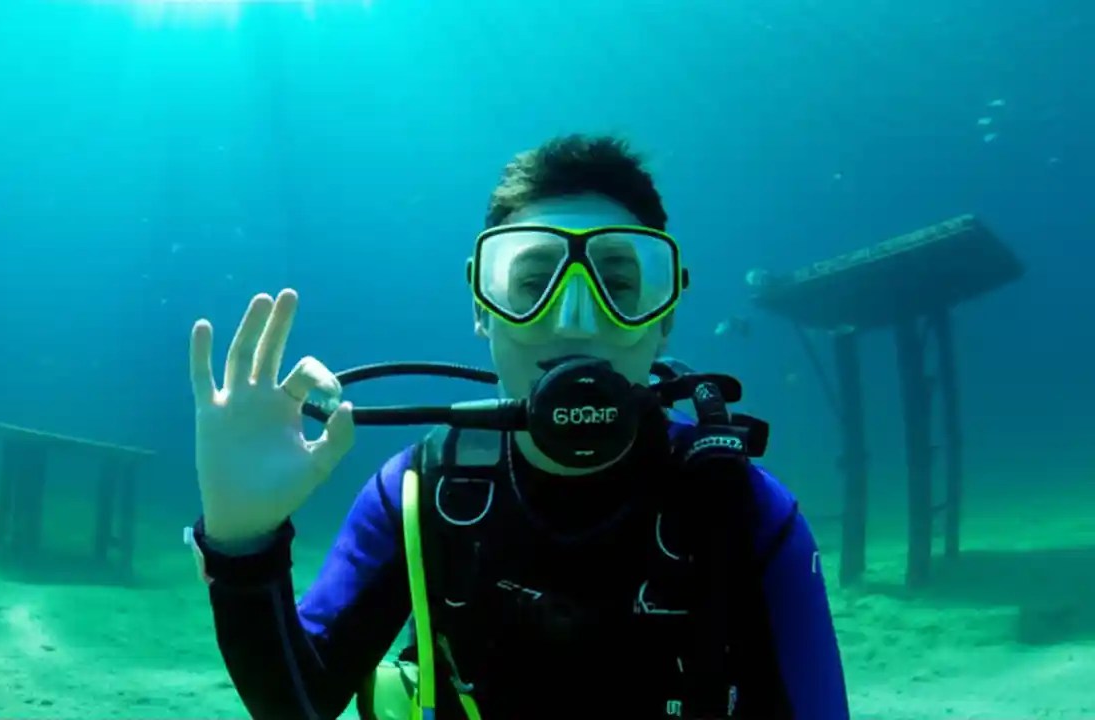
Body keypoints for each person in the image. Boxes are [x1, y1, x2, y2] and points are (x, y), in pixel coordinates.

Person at [184, 134, 850, 719]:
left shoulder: (743, 512)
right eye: (532, 284)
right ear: (483, 306)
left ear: (666, 313)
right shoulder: (418, 495)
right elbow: (297, 703)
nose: (575, 319)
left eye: (619, 285)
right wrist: (243, 543)